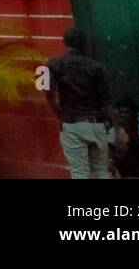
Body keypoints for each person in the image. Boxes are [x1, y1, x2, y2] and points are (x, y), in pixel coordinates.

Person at [45, 27, 111, 179]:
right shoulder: (95, 67)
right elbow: (106, 102)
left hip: (72, 123)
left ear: (65, 42)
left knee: (79, 172)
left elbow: (47, 93)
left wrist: (59, 115)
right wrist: (117, 127)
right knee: (101, 171)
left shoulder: (54, 64)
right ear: (84, 44)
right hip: (96, 124)